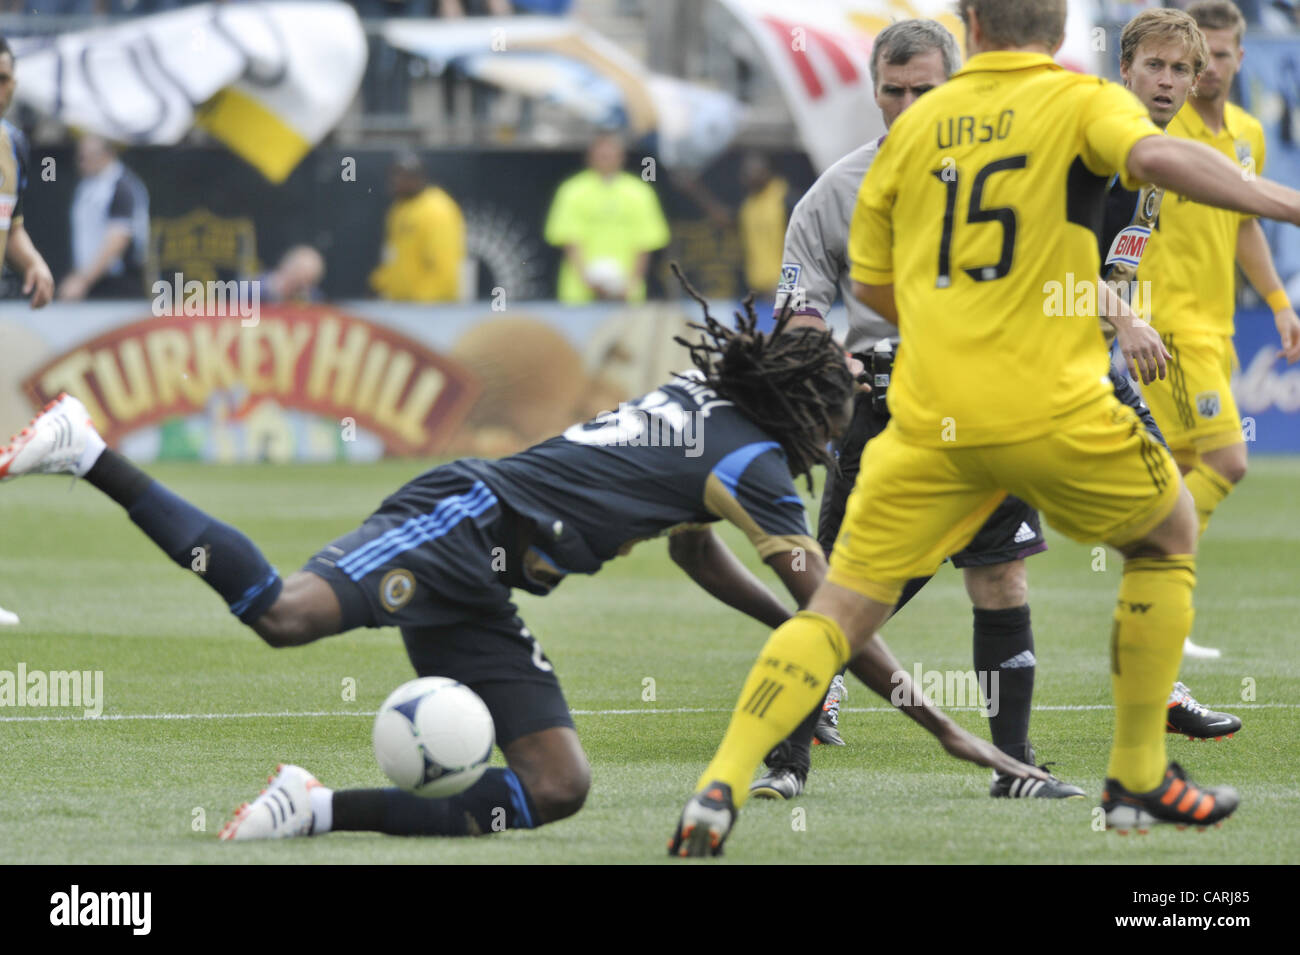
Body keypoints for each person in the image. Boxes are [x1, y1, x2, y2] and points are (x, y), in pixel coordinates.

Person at [0, 279, 1041, 842]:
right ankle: (87, 449)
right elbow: (842, 613)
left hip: (486, 578)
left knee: (555, 787)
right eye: (841, 416)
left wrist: (791, 632)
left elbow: (695, 554)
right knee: (283, 612)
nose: (838, 436)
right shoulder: (757, 464)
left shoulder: (712, 414)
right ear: (806, 404)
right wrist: (947, 730)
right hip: (463, 518)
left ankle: (311, 806)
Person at [671, 0, 1300, 857]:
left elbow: (877, 287)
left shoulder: (911, 145)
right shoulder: (1072, 103)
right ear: (1065, 32)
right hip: (1039, 401)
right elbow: (1158, 158)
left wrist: (952, 320)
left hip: (923, 406)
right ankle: (1136, 774)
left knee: (841, 604)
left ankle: (723, 781)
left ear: (970, 26)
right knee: (1169, 531)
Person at [755, 18, 1087, 803]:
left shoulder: (1013, 175)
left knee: (1001, 578)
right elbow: (801, 303)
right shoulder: (836, 191)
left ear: (957, 85)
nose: (906, 105)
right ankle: (783, 760)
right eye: (893, 90)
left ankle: (1015, 768)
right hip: (884, 407)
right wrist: (821, 352)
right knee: (838, 590)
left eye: (923, 90)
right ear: (875, 90)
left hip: (990, 401)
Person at [1134, 0, 1300, 657]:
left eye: (1218, 56)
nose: (1205, 70)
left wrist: (1279, 303)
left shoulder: (1247, 133)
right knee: (1227, 459)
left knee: (1181, 469)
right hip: (1168, 326)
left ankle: (1159, 608)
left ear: (1236, 58)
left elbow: (1245, 222)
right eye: (1185, 61)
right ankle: (1156, 589)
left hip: (1218, 324)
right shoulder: (1156, 130)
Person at [1100, 6, 1244, 736]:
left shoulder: (1149, 165)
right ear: (1125, 68)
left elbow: (1109, 269)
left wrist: (1116, 316)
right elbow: (1048, 263)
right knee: (939, 548)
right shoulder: (1098, 147)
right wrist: (1126, 320)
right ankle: (822, 667)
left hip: (1080, 370)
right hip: (1021, 373)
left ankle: (1158, 688)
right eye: (1153, 65)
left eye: (1180, 69)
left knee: (1169, 519)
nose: (1166, 80)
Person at [0, 35, 53, 629]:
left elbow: (11, 224)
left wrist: (32, 261)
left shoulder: (13, 143)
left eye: (6, 78)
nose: (2, 89)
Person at [544, 132, 670, 304]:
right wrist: (588, 282)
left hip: (626, 295)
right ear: (590, 157)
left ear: (621, 157)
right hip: (580, 296)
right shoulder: (572, 191)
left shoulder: (639, 193)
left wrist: (630, 284)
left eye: (611, 155)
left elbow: (646, 243)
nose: (606, 160)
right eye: (602, 155)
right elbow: (568, 240)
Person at [58, 134, 148, 301]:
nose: (82, 163)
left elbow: (118, 240)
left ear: (108, 154)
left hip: (119, 284)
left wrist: (82, 281)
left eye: (88, 157)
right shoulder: (87, 185)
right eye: (80, 157)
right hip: (94, 281)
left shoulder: (121, 187)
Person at [369, 152, 465, 302]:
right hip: (401, 303)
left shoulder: (438, 209)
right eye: (395, 174)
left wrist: (424, 301)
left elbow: (444, 266)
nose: (395, 181)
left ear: (418, 178)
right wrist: (379, 283)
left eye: (403, 176)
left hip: (431, 306)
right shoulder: (398, 210)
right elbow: (395, 258)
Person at [736, 152, 790, 298]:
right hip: (757, 287)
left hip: (782, 285)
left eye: (754, 172)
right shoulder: (749, 204)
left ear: (767, 172)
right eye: (746, 173)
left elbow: (800, 248)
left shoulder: (785, 200)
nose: (750, 177)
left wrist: (787, 288)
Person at [258, 245, 325, 303]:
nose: (305, 286)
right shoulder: (255, 289)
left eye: (310, 282)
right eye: (300, 281)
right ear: (287, 269)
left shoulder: (313, 296)